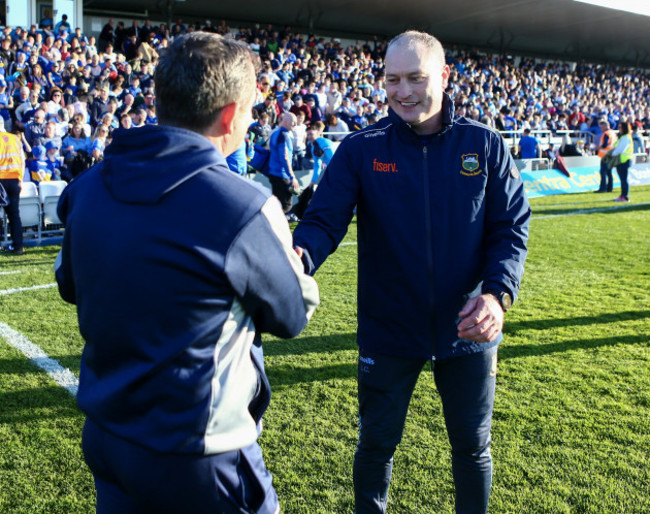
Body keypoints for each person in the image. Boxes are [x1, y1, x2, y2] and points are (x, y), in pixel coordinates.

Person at [55, 32, 319, 514]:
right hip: (200, 454)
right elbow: (292, 314)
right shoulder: (244, 206)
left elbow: (69, 286)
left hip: (108, 436)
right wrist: (292, 262)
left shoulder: (85, 188)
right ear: (229, 115)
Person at [293, 30, 530, 514]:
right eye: (392, 79)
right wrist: (297, 260)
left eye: (416, 78)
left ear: (443, 76)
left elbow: (510, 228)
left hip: (468, 329)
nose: (403, 92)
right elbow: (322, 221)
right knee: (376, 446)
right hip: (388, 329)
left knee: (471, 448)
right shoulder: (361, 149)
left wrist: (496, 295)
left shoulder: (484, 146)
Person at [268, 111, 300, 215]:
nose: (295, 124)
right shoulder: (283, 135)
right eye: (293, 122)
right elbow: (284, 157)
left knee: (278, 204)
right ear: (286, 121)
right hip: (282, 175)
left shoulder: (275, 133)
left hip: (274, 174)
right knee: (286, 206)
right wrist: (292, 177)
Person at [611, 121, 634, 202]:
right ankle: (622, 195)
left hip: (623, 160)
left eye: (620, 127)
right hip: (622, 160)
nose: (619, 129)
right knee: (623, 179)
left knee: (624, 179)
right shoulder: (624, 137)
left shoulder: (625, 137)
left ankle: (625, 196)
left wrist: (612, 154)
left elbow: (620, 149)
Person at [594, 120, 617, 193]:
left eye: (601, 127)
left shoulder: (606, 134)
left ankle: (603, 188)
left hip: (605, 156)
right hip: (611, 155)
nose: (601, 129)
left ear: (604, 126)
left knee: (603, 172)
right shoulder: (612, 133)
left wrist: (598, 148)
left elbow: (605, 145)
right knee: (609, 172)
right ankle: (610, 188)